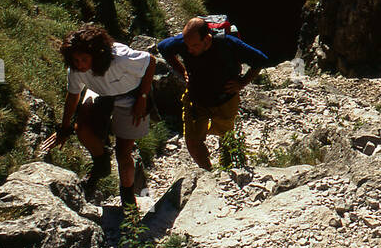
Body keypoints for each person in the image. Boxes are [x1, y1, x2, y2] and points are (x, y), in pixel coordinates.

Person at [42, 25, 155, 206]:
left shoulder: (120, 58)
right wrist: (64, 128)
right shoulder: (76, 70)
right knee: (82, 129)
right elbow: (73, 97)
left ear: (97, 55)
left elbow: (150, 61)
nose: (80, 65)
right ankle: (101, 162)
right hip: (101, 93)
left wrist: (142, 98)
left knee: (123, 153)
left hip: (131, 94)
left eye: (84, 60)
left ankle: (128, 199)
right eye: (75, 60)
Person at [157, 16, 268, 171]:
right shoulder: (186, 42)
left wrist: (241, 83)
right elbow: (162, 47)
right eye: (187, 45)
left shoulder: (228, 43)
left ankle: (227, 169)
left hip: (225, 100)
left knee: (226, 137)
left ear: (207, 39)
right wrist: (182, 71)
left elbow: (260, 60)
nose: (189, 50)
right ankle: (209, 172)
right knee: (192, 142)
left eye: (194, 45)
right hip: (196, 100)